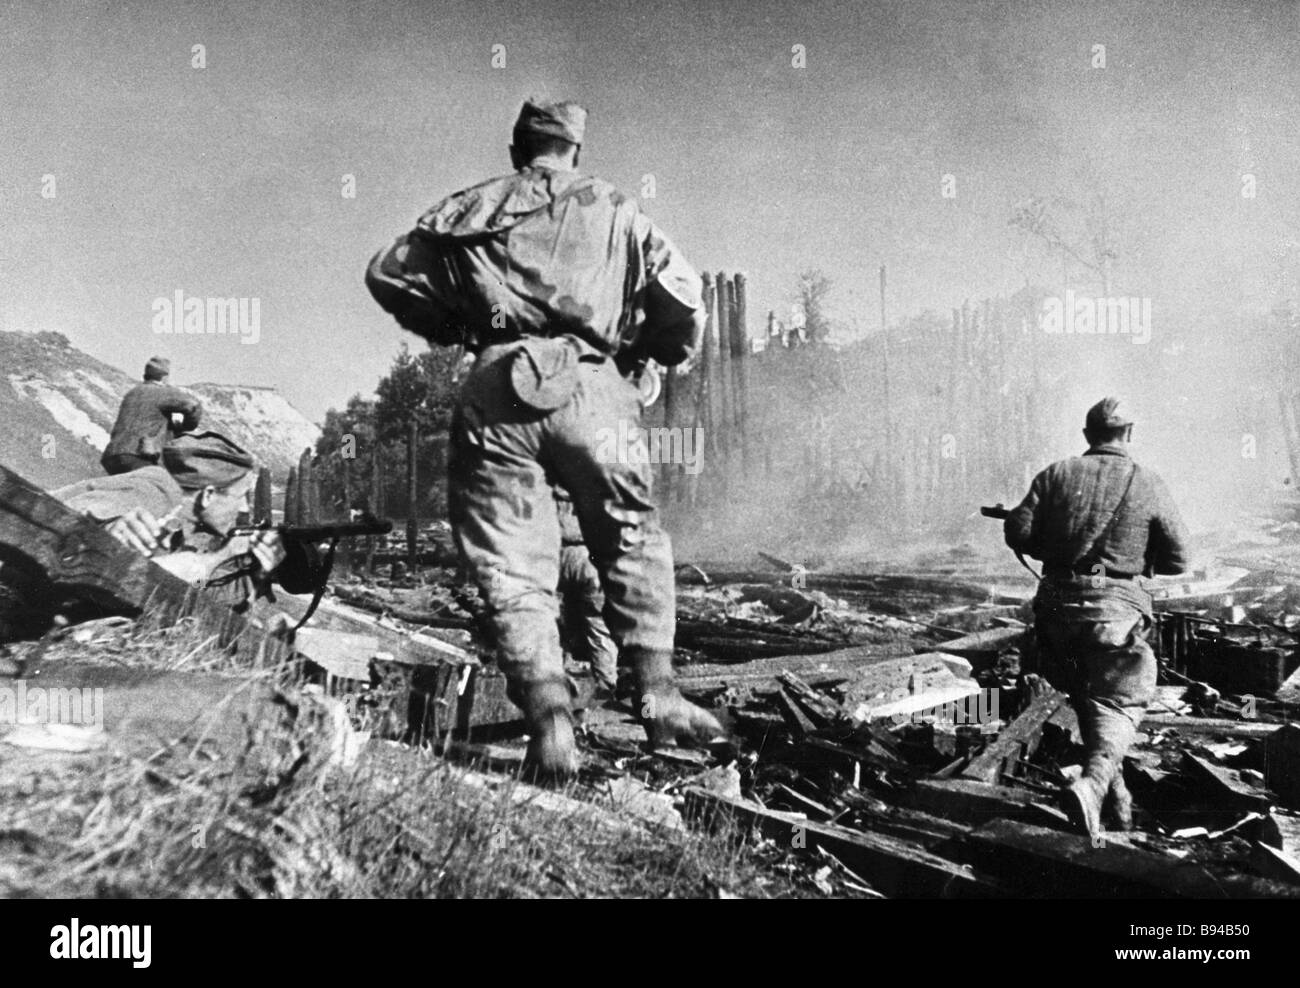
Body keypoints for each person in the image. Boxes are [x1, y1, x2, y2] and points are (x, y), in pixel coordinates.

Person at [365, 98, 722, 777]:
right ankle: (656, 692)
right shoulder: (617, 209)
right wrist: (651, 350)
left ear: (516, 148)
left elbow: (386, 271)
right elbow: (685, 297)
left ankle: (551, 721)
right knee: (631, 537)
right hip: (594, 383)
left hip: (497, 383)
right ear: (575, 150)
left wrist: (450, 325)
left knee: (512, 567)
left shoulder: (471, 206)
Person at [1004, 397, 1190, 837]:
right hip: (1115, 615)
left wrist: (1056, 546)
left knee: (1091, 705)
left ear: (1088, 436)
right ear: (1129, 434)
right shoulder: (1148, 482)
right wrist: (1132, 560)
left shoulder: (1056, 474)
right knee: (1116, 702)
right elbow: (1179, 561)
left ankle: (1116, 805)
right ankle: (1093, 786)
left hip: (1056, 613)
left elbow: (1019, 532)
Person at [555, 491, 618, 696]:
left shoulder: (543, 483)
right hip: (589, 559)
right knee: (598, 623)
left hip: (554, 556)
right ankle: (606, 681)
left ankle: (559, 672)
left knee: (554, 617)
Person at [101, 357, 203, 475]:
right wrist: (187, 426)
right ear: (164, 377)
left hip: (112, 456)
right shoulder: (162, 392)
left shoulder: (132, 393)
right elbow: (193, 405)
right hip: (138, 455)